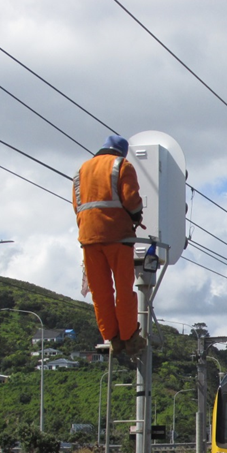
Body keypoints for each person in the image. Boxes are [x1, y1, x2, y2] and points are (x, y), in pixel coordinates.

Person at [73, 134, 146, 359]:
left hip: (88, 238)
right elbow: (131, 198)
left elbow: (77, 205)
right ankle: (129, 337)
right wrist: (136, 216)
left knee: (100, 292)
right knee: (123, 289)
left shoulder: (81, 170)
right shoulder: (122, 165)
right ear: (121, 152)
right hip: (118, 236)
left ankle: (111, 337)